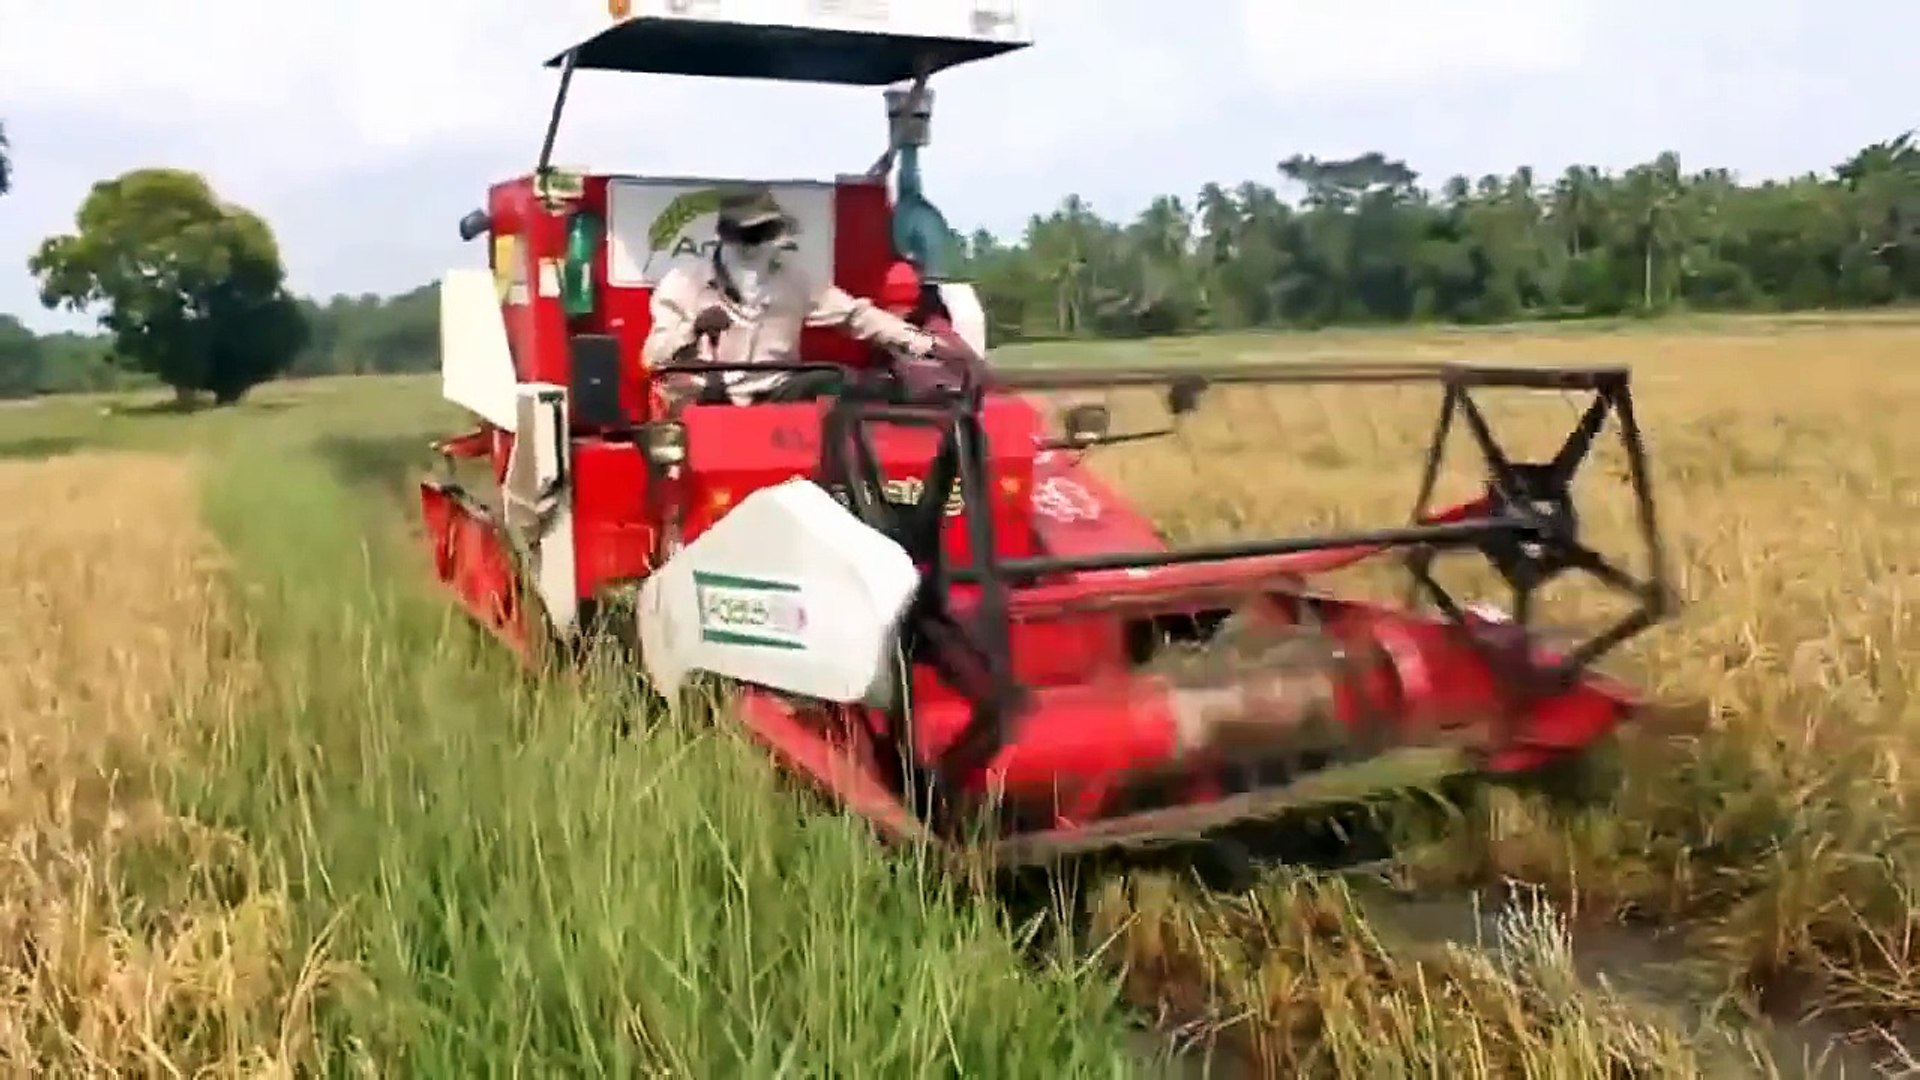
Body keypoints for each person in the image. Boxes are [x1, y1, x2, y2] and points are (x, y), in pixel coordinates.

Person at [642, 187, 977, 405]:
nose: (753, 244)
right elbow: (652, 358)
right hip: (706, 401)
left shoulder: (795, 280)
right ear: (724, 236)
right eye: (745, 234)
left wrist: (926, 344)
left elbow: (856, 316)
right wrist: (693, 329)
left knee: (848, 384)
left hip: (779, 397)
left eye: (762, 233)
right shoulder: (683, 283)